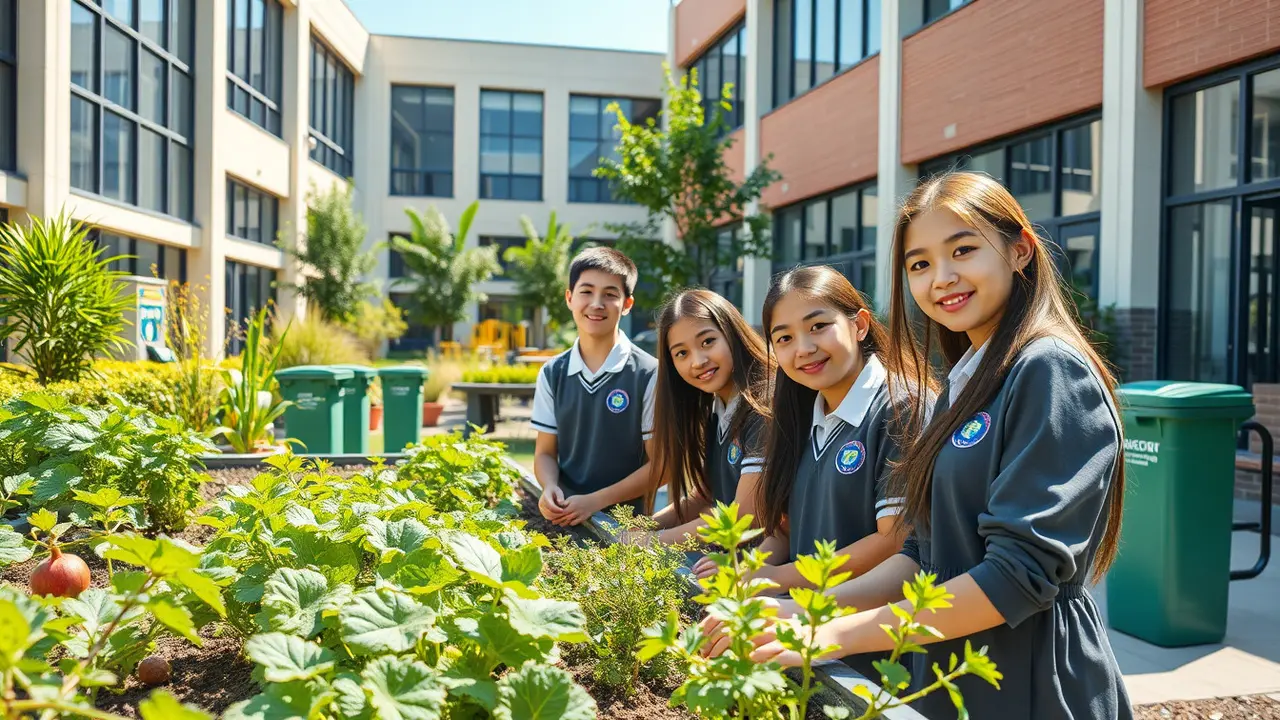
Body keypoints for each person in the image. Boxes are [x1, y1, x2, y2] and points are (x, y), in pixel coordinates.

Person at [747, 172, 1132, 719]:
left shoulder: (1049, 369)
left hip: (1030, 678)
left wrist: (832, 634)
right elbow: (922, 558)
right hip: (954, 670)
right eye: (920, 264)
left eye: (963, 250)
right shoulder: (965, 382)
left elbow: (1016, 577)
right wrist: (806, 610)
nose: (942, 278)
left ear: (1020, 250)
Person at [628, 288, 768, 546]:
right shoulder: (717, 409)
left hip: (768, 566)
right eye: (681, 353)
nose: (698, 361)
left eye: (707, 342)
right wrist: (638, 530)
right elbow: (702, 496)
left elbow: (742, 516)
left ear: (732, 333)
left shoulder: (763, 407)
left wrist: (648, 542)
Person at [531, 246, 658, 526]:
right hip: (564, 520)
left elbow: (661, 466)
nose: (597, 303)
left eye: (610, 294)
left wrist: (595, 501)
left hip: (627, 529)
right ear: (569, 298)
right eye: (586, 291)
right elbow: (545, 453)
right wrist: (549, 486)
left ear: (627, 304)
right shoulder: (552, 372)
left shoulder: (649, 373)